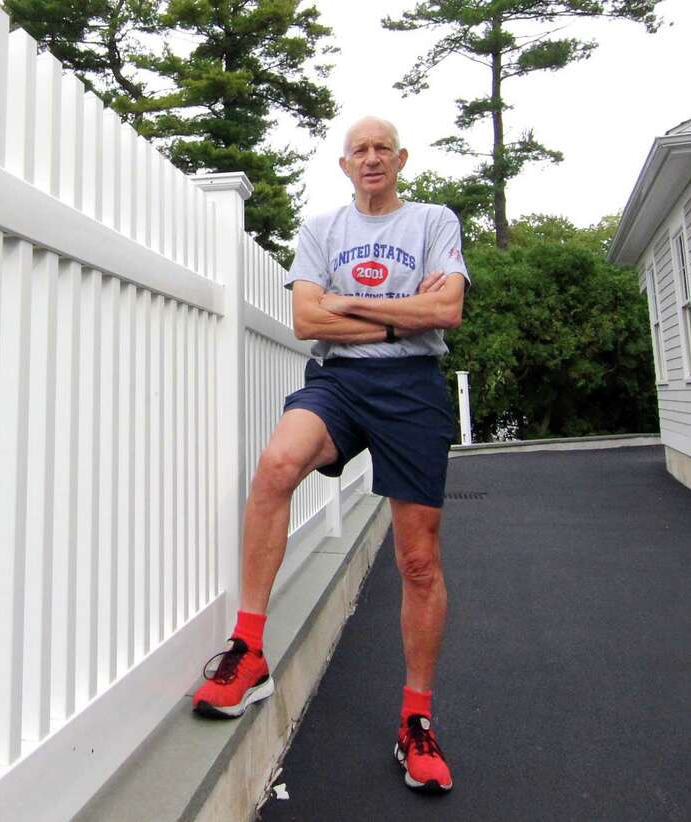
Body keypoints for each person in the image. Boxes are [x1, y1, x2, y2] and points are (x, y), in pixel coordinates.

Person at [191, 115, 467, 794]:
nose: (371, 159)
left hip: (412, 387)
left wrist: (350, 302)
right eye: (358, 151)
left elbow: (448, 313)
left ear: (400, 158)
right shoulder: (321, 231)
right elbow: (308, 322)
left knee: (419, 558)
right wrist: (403, 307)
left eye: (382, 149)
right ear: (344, 165)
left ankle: (416, 721)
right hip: (341, 380)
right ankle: (250, 650)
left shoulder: (434, 222)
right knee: (277, 466)